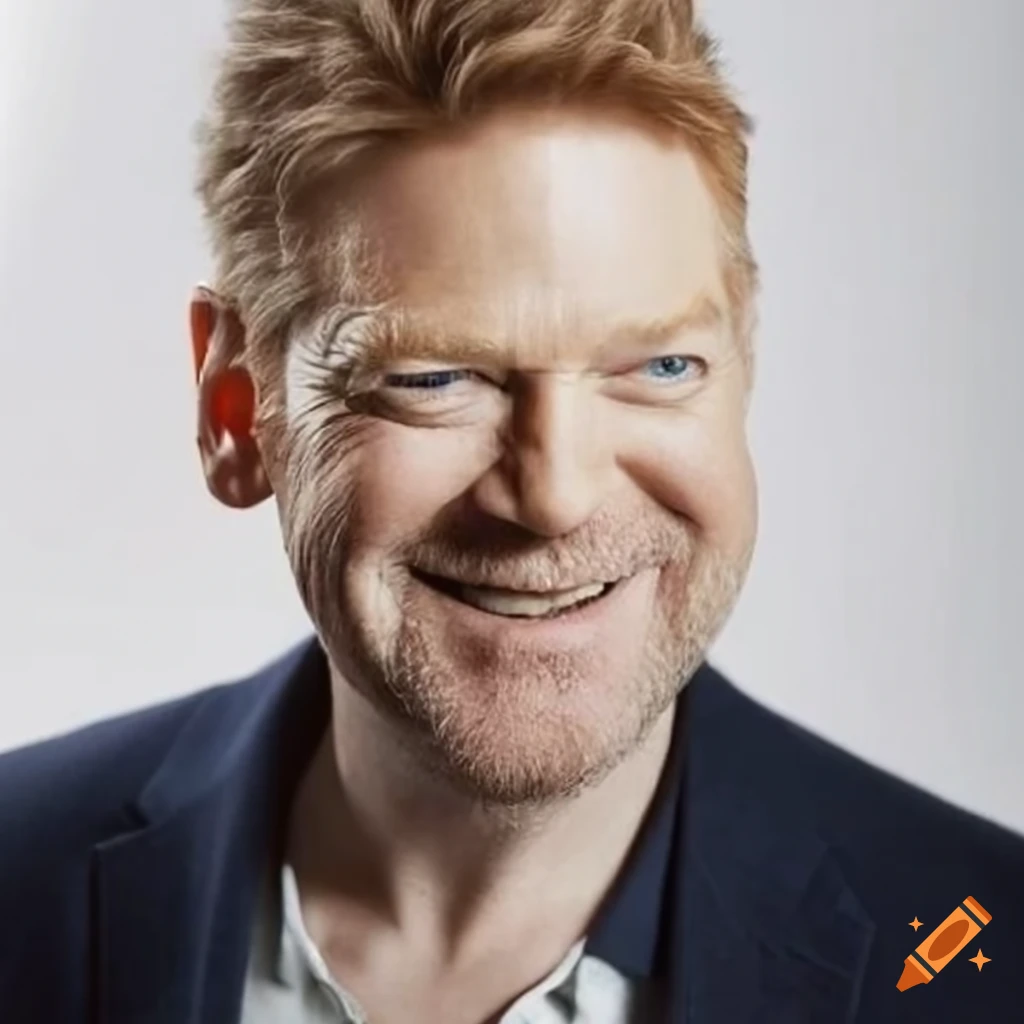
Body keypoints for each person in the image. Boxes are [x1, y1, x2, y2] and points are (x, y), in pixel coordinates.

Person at [1, 0, 1022, 1021]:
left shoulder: (989, 954)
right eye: (434, 376)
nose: (554, 495)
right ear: (237, 408)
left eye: (658, 365)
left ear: (743, 359)